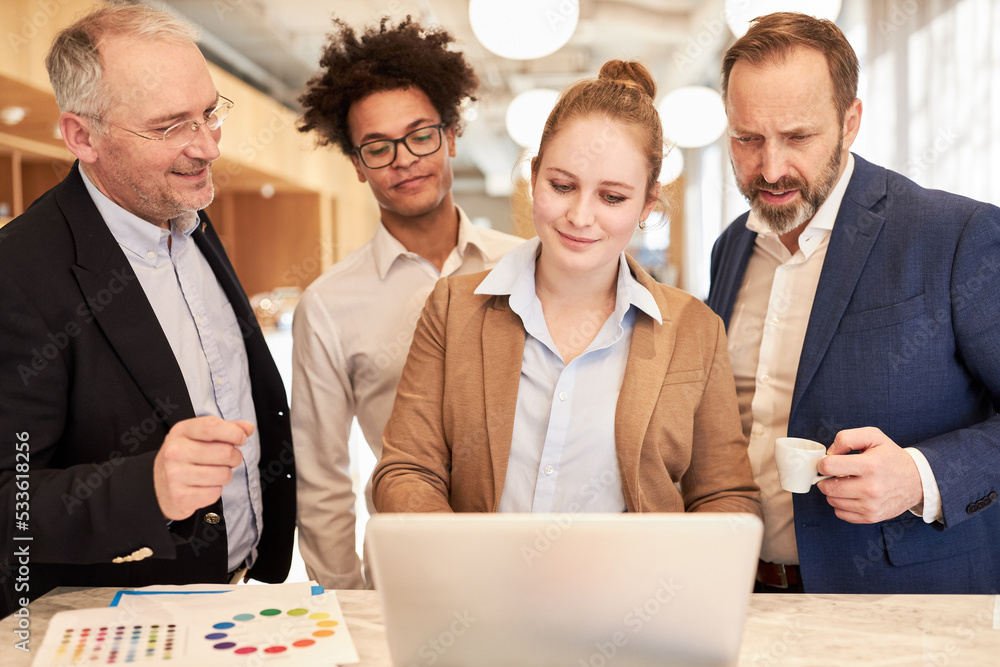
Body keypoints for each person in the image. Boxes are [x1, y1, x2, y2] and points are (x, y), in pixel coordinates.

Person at [0, 5, 295, 616]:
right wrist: (147, 488)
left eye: (210, 114)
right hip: (116, 623)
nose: (207, 147)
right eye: (169, 128)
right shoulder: (19, 274)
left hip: (236, 593)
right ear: (82, 136)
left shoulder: (185, 214)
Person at [373, 60, 761, 519]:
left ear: (646, 203)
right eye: (562, 185)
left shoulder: (695, 329)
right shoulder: (452, 307)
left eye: (612, 197)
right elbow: (406, 469)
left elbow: (726, 496)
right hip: (481, 588)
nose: (580, 216)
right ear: (534, 175)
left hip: (633, 590)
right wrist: (463, 562)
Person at [707, 12, 1000, 593]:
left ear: (851, 121)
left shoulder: (956, 234)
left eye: (797, 137)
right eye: (747, 139)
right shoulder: (730, 249)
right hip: (744, 594)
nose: (770, 168)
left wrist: (922, 476)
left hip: (908, 608)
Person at [293, 17, 523, 589]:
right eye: (377, 147)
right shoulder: (327, 306)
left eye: (420, 135)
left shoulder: (527, 266)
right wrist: (346, 605)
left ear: (450, 135)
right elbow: (321, 478)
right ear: (356, 164)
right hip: (408, 572)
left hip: (537, 555)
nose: (403, 158)